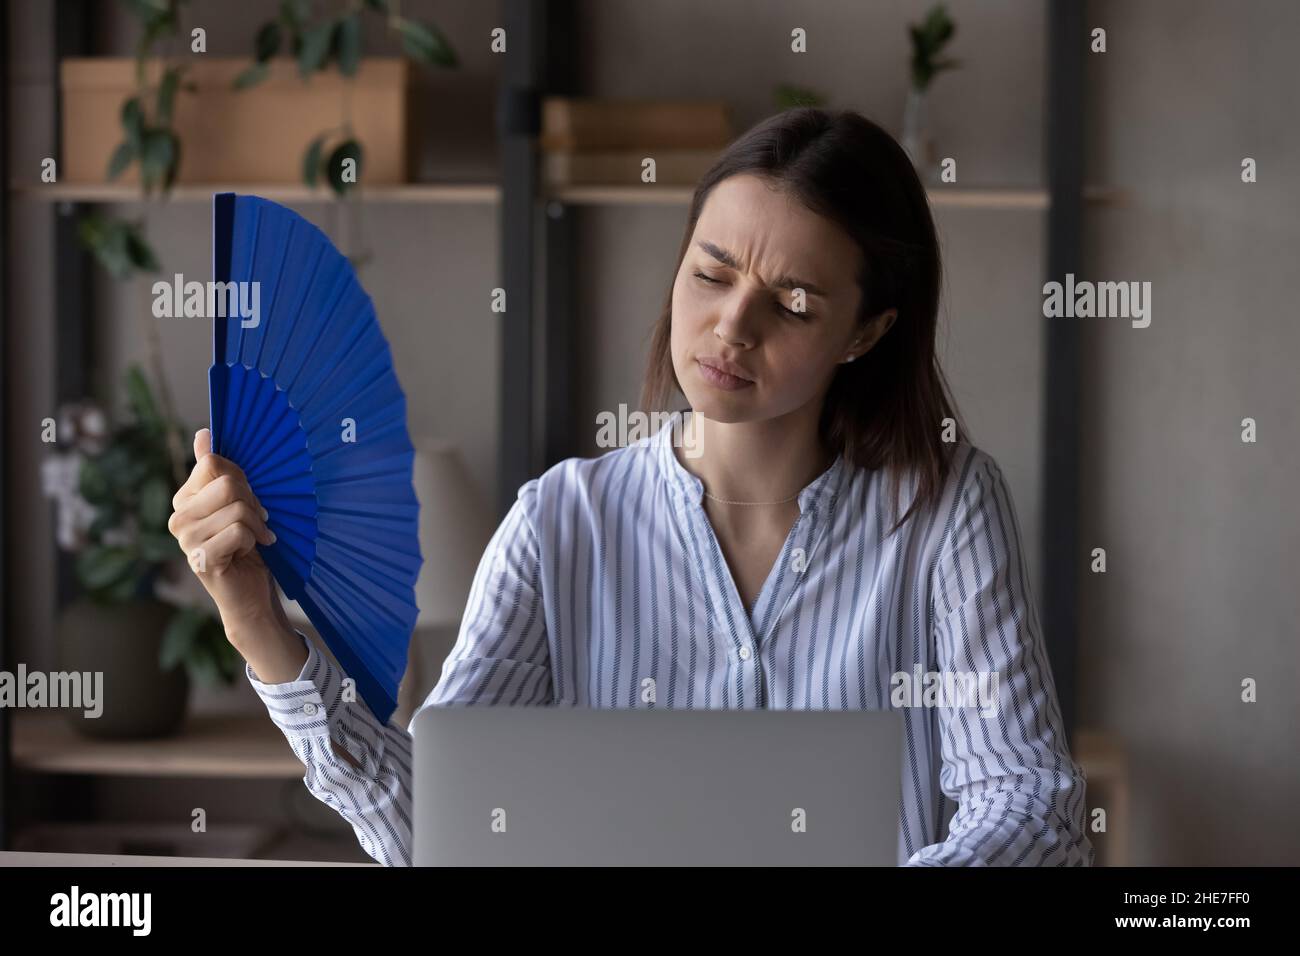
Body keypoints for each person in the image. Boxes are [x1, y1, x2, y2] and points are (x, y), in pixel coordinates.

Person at [168, 108, 1093, 866]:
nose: (732, 327)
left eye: (795, 304)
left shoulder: (943, 508)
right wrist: (259, 625)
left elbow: (1029, 809)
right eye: (711, 274)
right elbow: (443, 835)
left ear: (866, 331)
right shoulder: (562, 524)